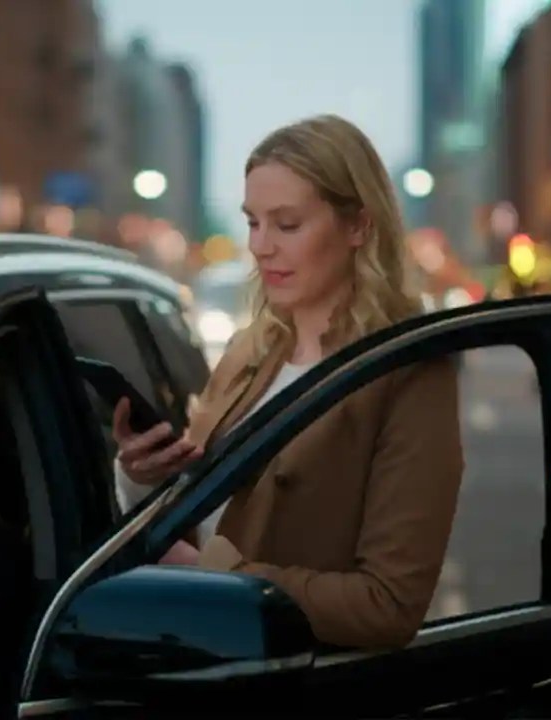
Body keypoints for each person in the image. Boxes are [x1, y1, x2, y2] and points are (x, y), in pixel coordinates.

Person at [112, 114, 464, 651]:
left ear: (358, 226)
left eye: (287, 224)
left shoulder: (406, 371)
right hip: (185, 652)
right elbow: (196, 516)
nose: (260, 246)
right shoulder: (250, 349)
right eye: (253, 222)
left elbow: (388, 606)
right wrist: (141, 477)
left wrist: (216, 574)